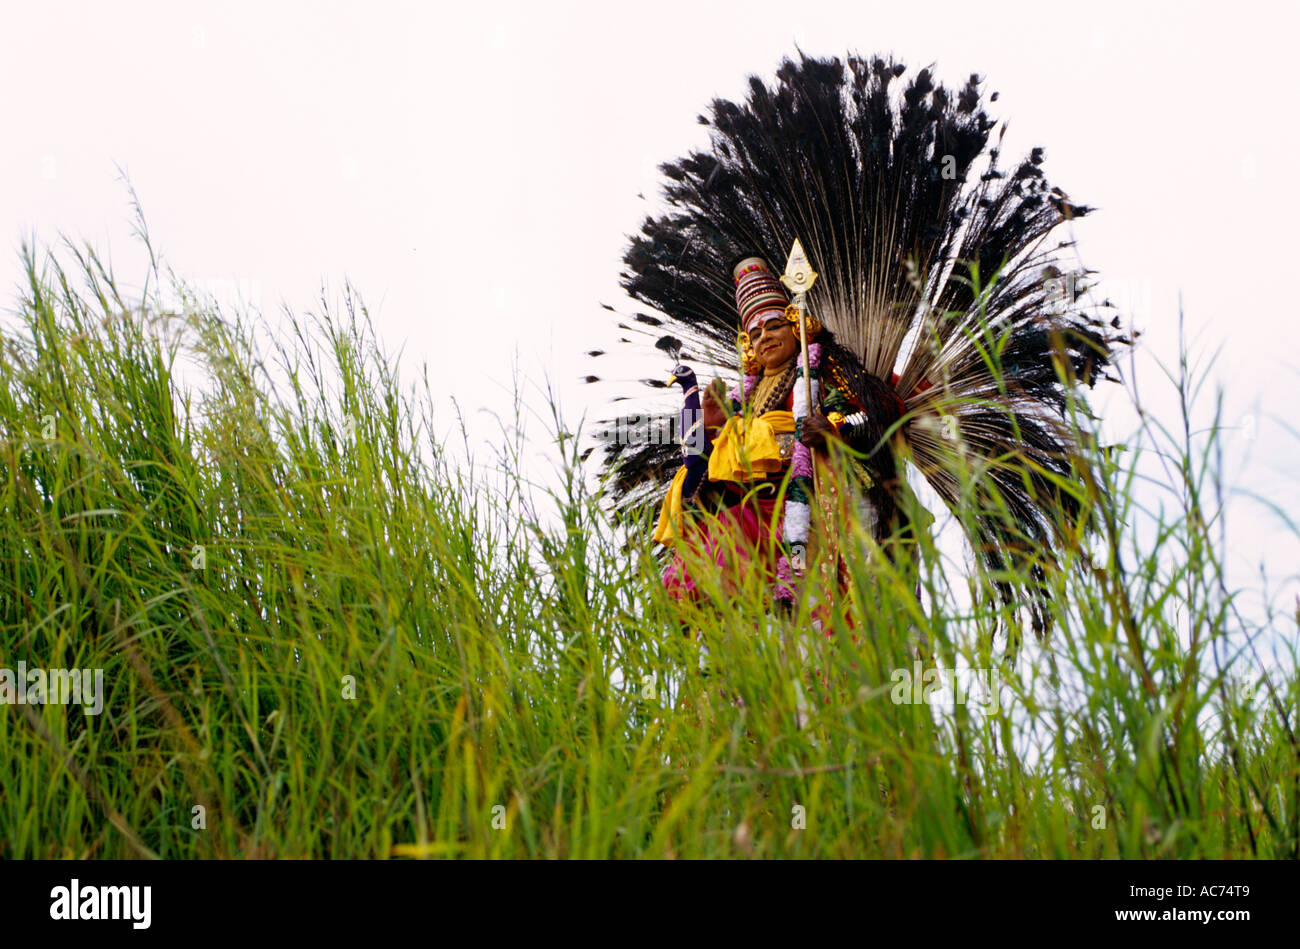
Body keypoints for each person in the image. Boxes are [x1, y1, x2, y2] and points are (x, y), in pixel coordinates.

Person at [654, 256, 924, 621]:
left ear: (795, 322)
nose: (764, 337)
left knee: (859, 614)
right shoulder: (741, 399)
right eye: (755, 334)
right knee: (713, 546)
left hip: (827, 503)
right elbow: (701, 481)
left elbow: (882, 411)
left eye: (774, 325)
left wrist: (834, 429)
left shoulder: (826, 367)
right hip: (763, 515)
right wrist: (711, 428)